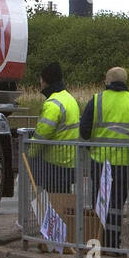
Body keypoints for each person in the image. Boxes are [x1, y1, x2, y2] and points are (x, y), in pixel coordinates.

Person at [79, 67, 129, 256]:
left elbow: (85, 130)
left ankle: (98, 244)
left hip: (99, 160)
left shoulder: (96, 100)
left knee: (99, 203)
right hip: (124, 161)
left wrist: (94, 148)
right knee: (116, 204)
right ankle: (114, 245)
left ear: (107, 81)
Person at [27, 62, 79, 248]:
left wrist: (31, 152)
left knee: (54, 204)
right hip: (69, 159)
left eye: (41, 79)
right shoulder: (69, 99)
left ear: (45, 80)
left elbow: (42, 133)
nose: (40, 83)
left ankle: (54, 241)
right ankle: (61, 241)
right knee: (63, 201)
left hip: (54, 161)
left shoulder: (53, 103)